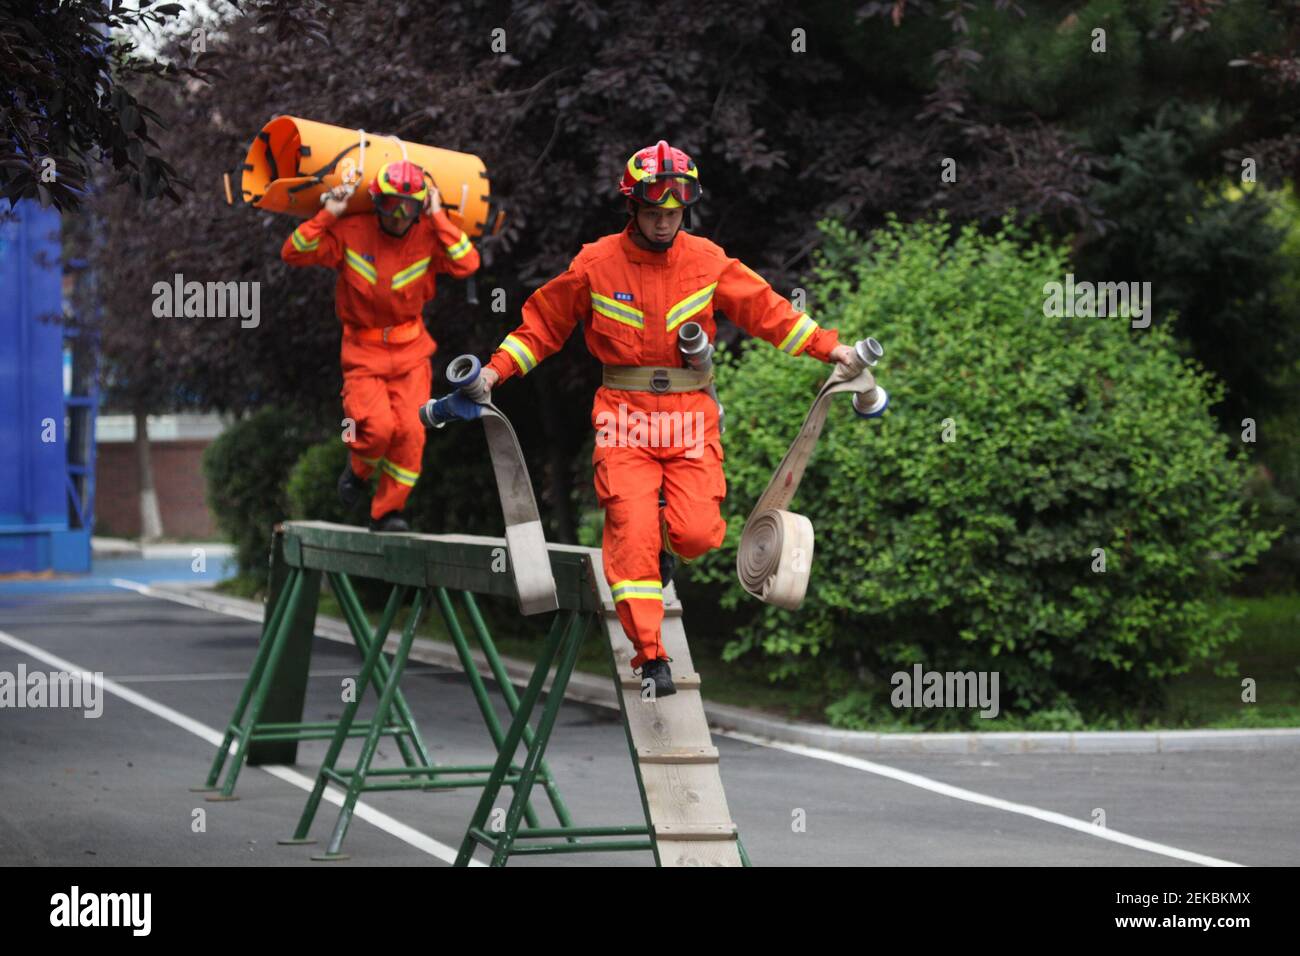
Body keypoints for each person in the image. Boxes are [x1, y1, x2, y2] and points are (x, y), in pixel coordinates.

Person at [475, 140, 861, 696]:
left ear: (686, 210)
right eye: (654, 212)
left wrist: (832, 349)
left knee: (698, 534)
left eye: (673, 213)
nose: (663, 223)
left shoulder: (708, 261)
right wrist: (493, 373)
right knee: (631, 537)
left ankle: (665, 552)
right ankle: (651, 660)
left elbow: (770, 311)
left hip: (690, 419)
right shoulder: (595, 265)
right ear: (632, 208)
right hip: (624, 420)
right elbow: (541, 327)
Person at [281, 159, 481, 531]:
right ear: (376, 202)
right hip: (363, 353)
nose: (400, 214)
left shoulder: (428, 233)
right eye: (391, 204)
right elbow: (293, 251)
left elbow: (468, 262)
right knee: (374, 429)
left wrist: (438, 217)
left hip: (411, 351)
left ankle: (387, 513)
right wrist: (328, 214)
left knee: (411, 433)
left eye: (409, 206)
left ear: (420, 205)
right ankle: (357, 471)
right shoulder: (351, 231)